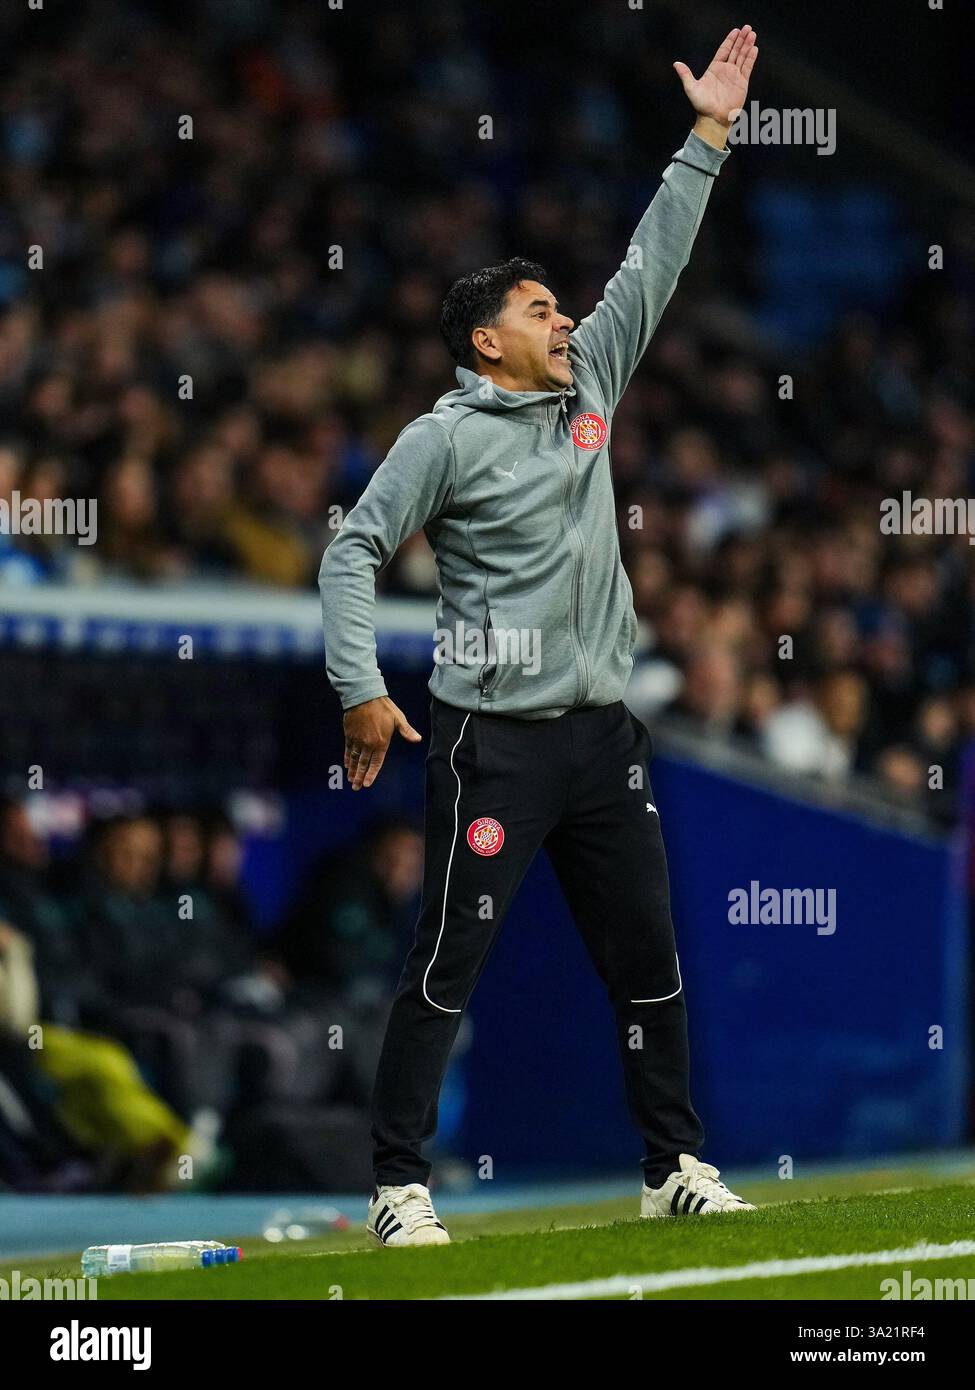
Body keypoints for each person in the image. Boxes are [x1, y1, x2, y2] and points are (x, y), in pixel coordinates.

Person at [319, 27, 760, 1246]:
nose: (567, 318)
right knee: (445, 964)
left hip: (599, 736)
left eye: (562, 306)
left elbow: (652, 263)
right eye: (539, 309)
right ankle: (398, 1187)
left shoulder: (594, 382)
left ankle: (673, 1162)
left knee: (649, 961)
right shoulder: (441, 439)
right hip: (490, 741)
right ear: (485, 344)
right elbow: (351, 550)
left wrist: (709, 134)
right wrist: (360, 686)